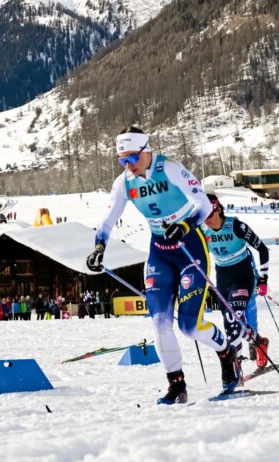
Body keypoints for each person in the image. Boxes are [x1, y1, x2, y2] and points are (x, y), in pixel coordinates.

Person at [86, 126, 234, 404]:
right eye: (122, 160)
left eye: (131, 158)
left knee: (190, 327)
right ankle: (176, 385)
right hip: (160, 253)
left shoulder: (171, 169)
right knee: (159, 322)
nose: (127, 165)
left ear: (146, 151)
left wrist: (186, 224)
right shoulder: (124, 183)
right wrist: (99, 246)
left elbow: (202, 204)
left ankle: (226, 352)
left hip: (190, 249)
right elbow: (107, 219)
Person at [203, 193, 270, 370]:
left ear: (217, 210)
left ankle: (236, 367)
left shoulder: (236, 226)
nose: (206, 220)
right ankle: (259, 342)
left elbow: (262, 249)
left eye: (208, 215)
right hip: (223, 279)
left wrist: (263, 278)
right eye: (202, 216)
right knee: (230, 326)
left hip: (243, 277)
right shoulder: (203, 231)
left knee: (234, 318)